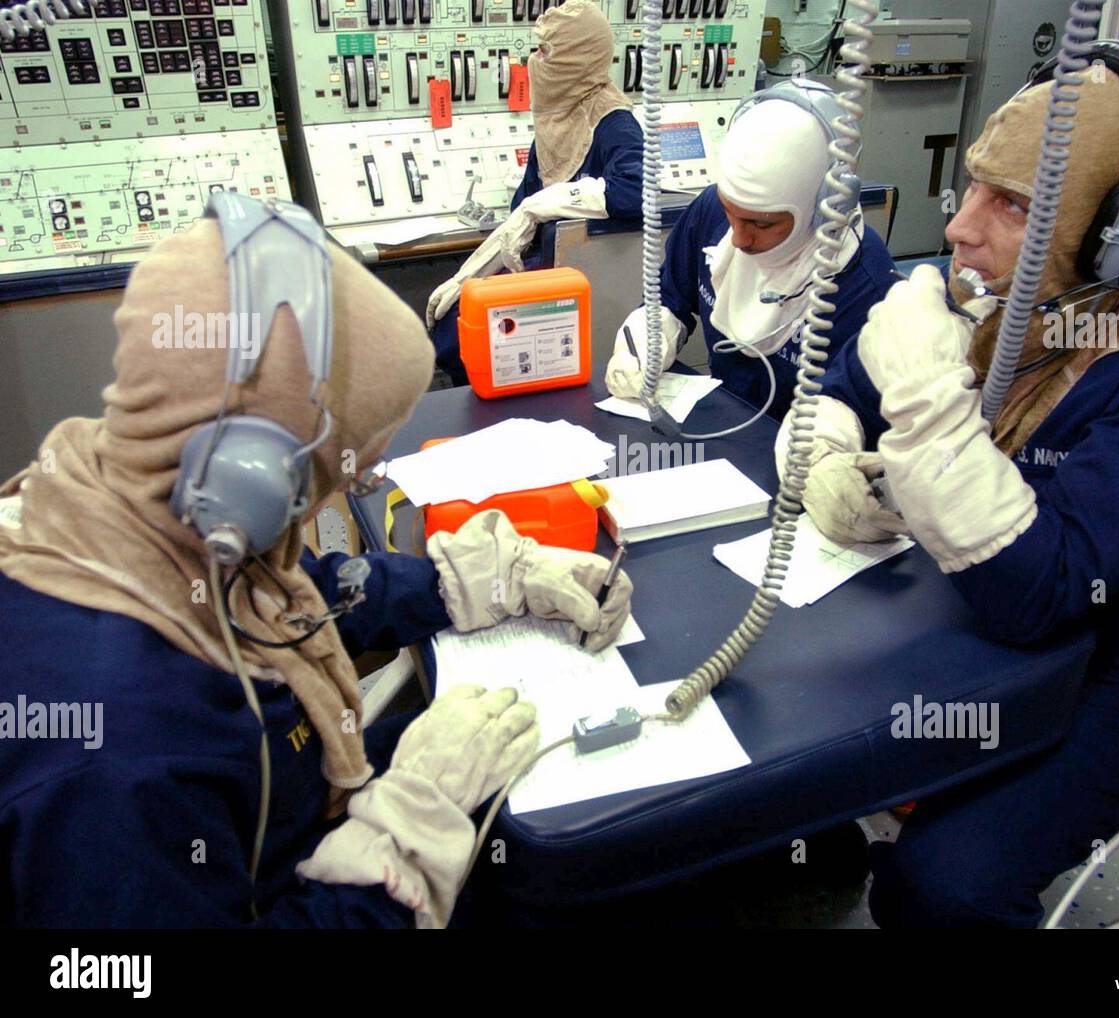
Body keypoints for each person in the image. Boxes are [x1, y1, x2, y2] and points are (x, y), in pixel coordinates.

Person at [0, 212, 632, 928]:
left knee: (508, 750)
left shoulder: (131, 497)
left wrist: (488, 575)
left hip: (286, 809)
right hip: (275, 884)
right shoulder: (114, 771)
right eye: (343, 469)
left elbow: (291, 599)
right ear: (255, 477)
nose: (349, 492)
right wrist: (403, 836)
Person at [786, 58, 1119, 925]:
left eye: (1012, 203)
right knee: (792, 705)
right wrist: (830, 452)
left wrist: (930, 417)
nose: (959, 228)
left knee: (943, 886)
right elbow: (846, 389)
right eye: (974, 187)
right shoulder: (1034, 294)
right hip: (984, 614)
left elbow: (1048, 591)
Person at [603, 79, 896, 421]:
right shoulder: (711, 210)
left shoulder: (864, 287)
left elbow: (857, 420)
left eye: (762, 224)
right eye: (731, 214)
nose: (739, 239)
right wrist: (648, 341)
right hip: (722, 419)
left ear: (823, 207)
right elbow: (669, 298)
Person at [426, 0, 644, 384]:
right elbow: (520, 214)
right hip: (545, 268)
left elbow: (637, 190)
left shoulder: (614, 123)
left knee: (457, 338)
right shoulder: (561, 117)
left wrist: (551, 200)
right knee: (450, 321)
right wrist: (469, 276)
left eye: (546, 51)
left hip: (571, 282)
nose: (534, 60)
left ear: (576, 59)